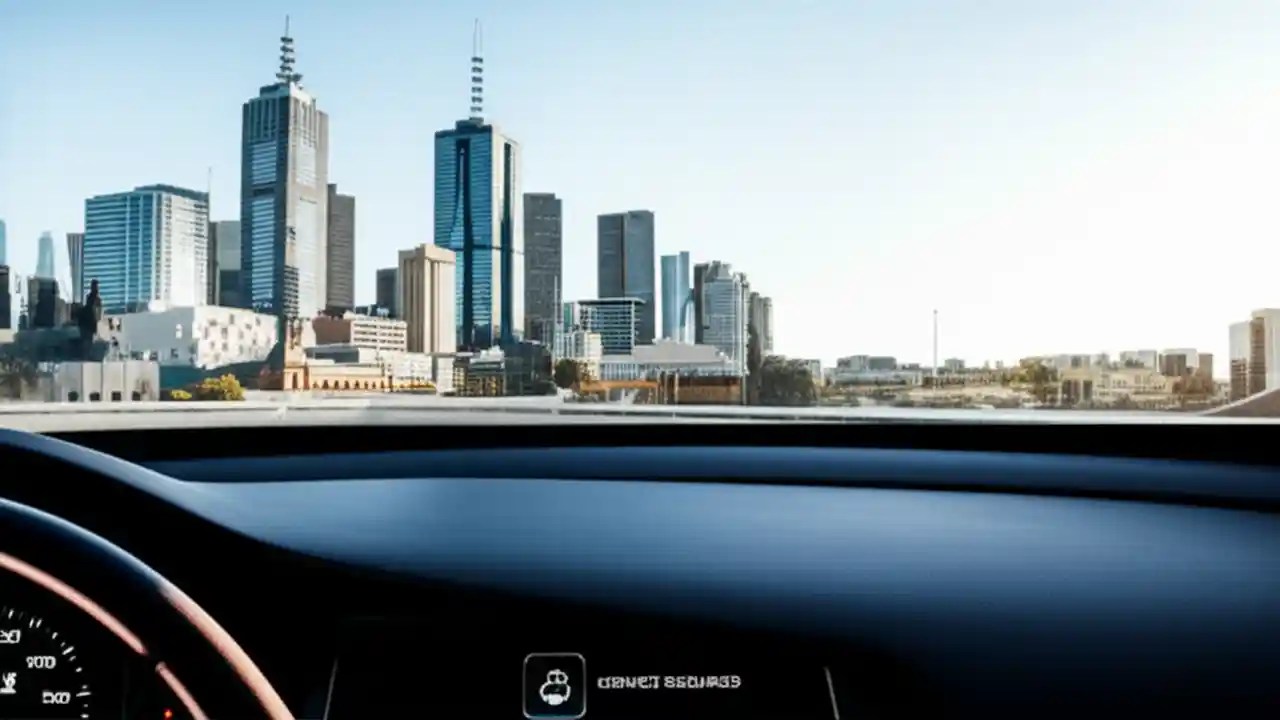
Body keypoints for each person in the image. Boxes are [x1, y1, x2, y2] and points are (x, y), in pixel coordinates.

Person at [76, 279, 103, 360]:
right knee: (87, 346)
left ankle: (86, 358)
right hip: (88, 325)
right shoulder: (94, 300)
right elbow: (97, 316)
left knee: (87, 346)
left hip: (88, 326)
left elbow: (97, 316)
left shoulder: (94, 300)